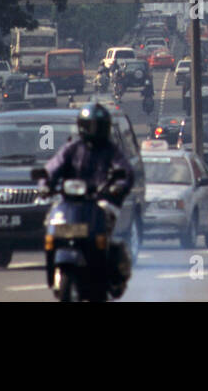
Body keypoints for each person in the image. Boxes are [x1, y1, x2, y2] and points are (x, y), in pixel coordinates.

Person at [43, 103, 134, 282]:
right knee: (51, 221)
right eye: (91, 126)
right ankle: (52, 265)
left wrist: (118, 186)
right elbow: (53, 167)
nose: (96, 131)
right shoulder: (73, 147)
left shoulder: (111, 149)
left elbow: (125, 171)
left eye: (100, 126)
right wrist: (46, 184)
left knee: (106, 220)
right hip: (71, 200)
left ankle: (106, 265)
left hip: (101, 199)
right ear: (82, 126)